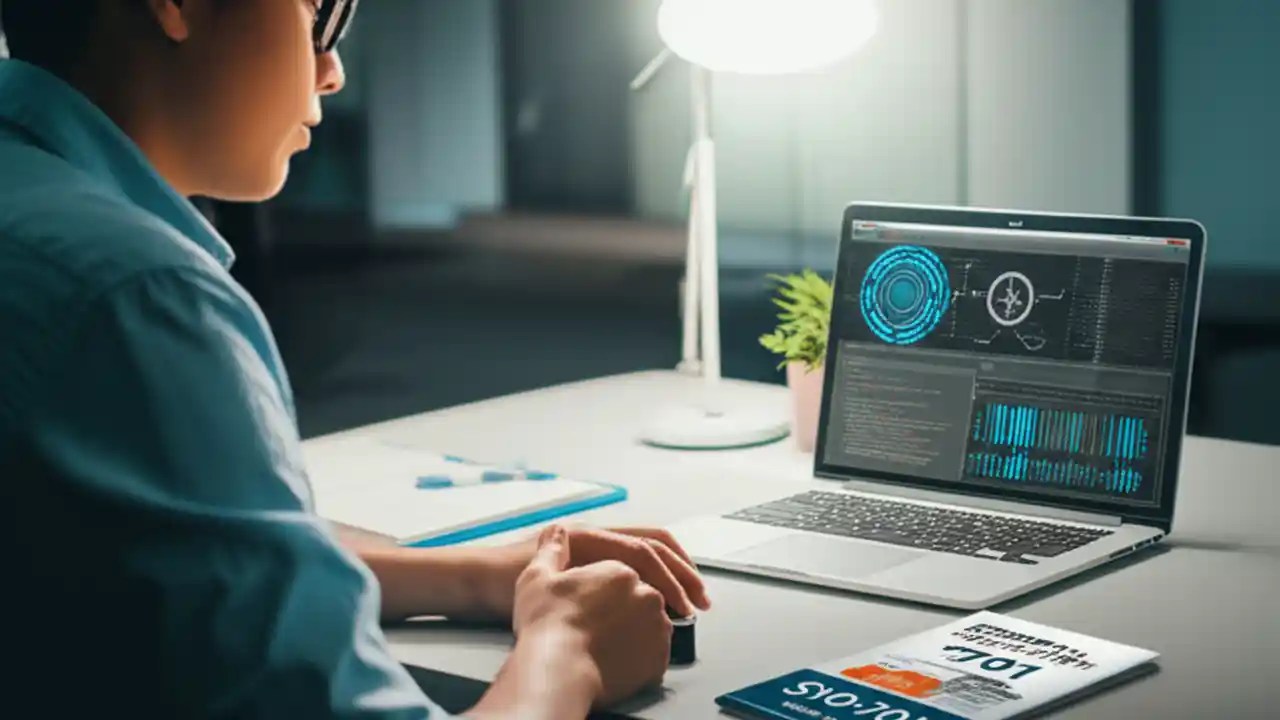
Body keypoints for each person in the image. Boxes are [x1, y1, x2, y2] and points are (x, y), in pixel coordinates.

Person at [0, 1, 710, 717]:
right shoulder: (137, 297)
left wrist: (479, 576)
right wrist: (570, 649)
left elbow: (155, 551)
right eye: (320, 16)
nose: (332, 71)